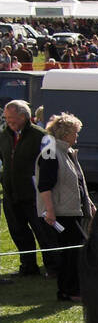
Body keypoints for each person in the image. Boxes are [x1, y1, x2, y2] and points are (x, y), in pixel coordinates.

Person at [34, 113, 93, 303]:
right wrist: (49, 210)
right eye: (75, 132)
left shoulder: (67, 152)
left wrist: (89, 203)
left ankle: (70, 289)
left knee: (75, 250)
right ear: (65, 133)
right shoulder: (51, 152)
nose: (77, 136)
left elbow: (78, 182)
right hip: (61, 211)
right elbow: (45, 185)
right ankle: (69, 291)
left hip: (72, 210)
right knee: (74, 251)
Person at [1, 100, 54, 280]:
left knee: (43, 232)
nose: (9, 122)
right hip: (11, 194)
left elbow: (49, 164)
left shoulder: (42, 136)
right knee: (18, 231)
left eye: (12, 118)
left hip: (34, 195)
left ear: (23, 116)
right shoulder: (3, 135)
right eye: (6, 118)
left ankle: (52, 266)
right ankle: (28, 265)